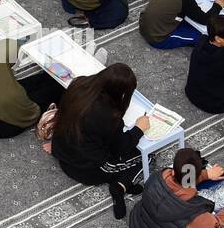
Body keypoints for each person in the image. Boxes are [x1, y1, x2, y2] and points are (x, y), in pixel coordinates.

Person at [51, 63, 150, 219]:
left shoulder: (79, 84)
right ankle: (120, 186)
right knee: (148, 156)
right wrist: (139, 129)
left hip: (62, 155)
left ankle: (121, 185)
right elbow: (120, 148)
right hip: (87, 171)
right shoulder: (109, 115)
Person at [0, 39, 64, 139]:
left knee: (27, 83)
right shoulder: (13, 92)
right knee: (47, 94)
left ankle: (48, 78)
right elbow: (31, 112)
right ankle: (60, 86)